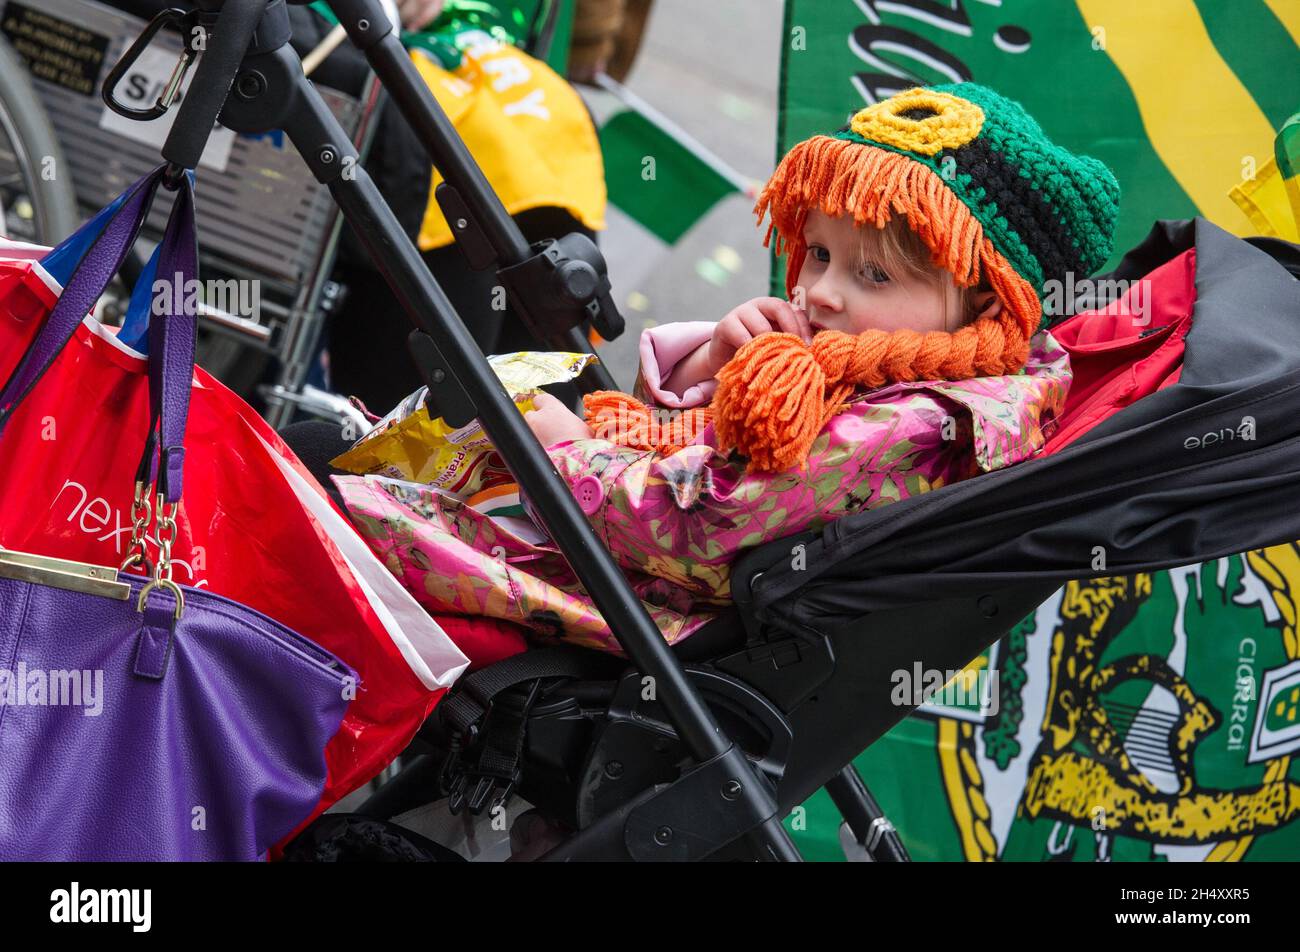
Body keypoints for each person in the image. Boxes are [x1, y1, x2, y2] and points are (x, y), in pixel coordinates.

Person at [335, 83, 1119, 652]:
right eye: (816, 252)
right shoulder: (890, 368)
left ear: (989, 300)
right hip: (633, 572)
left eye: (871, 274)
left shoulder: (912, 425)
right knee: (342, 455)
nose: (820, 293)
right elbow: (700, 450)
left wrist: (560, 449)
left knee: (330, 512)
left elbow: (695, 524)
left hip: (656, 611)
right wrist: (715, 361)